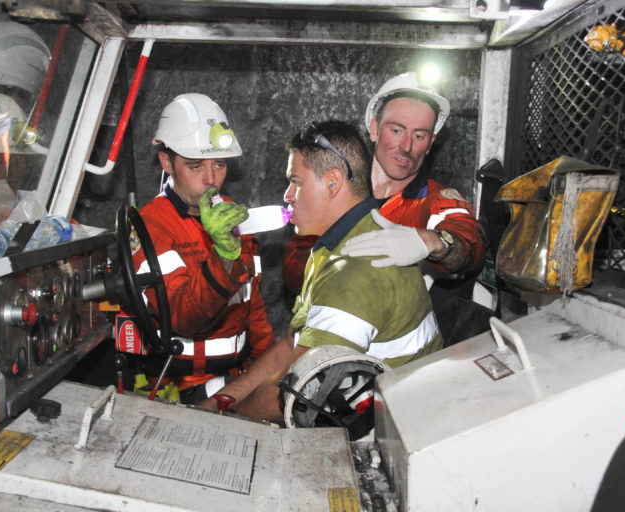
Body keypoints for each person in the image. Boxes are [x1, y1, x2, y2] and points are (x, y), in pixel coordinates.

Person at [200, 120, 443, 420]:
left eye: (296, 182)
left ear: (332, 183)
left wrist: (224, 421)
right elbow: (291, 344)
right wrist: (215, 406)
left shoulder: (354, 270)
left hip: (394, 427)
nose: (287, 195)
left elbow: (287, 396)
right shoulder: (343, 241)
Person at [282, 71, 486, 294]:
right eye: (397, 130)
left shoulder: (437, 202)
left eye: (419, 136)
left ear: (430, 144)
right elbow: (295, 276)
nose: (406, 146)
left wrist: (432, 242)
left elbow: (471, 244)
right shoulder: (337, 191)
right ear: (374, 129)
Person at [133, 93, 274, 403]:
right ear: (166, 162)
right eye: (195, 166)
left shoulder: (230, 215)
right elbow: (182, 317)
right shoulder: (151, 227)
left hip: (237, 373)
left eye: (220, 164)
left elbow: (253, 306)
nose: (211, 180)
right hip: (180, 386)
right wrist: (223, 255)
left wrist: (269, 366)